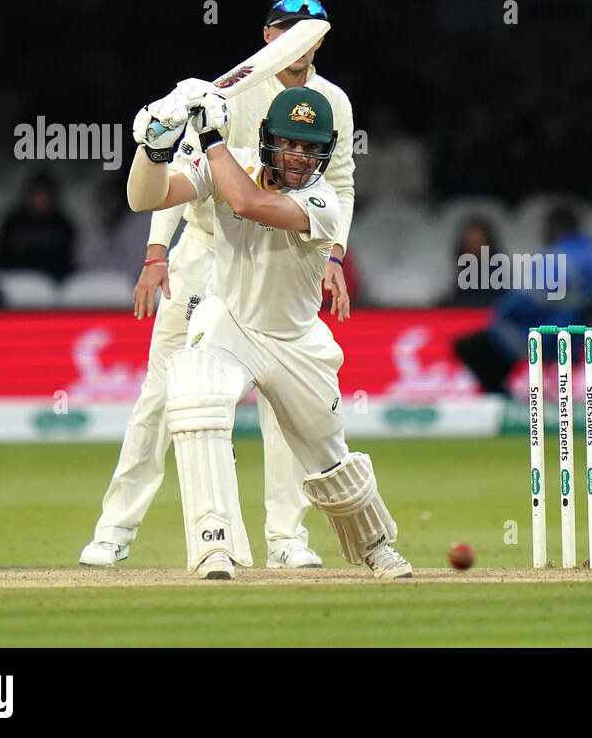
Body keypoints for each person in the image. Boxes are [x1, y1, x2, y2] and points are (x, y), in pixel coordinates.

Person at [79, 0, 354, 570]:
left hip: (277, 259)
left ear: (320, 39)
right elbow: (188, 173)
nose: (295, 40)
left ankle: (286, 539)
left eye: (308, 30)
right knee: (165, 396)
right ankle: (116, 530)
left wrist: (333, 254)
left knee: (283, 404)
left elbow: (340, 184)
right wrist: (157, 252)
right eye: (283, 28)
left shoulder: (332, 102)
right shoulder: (237, 91)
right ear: (267, 37)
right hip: (204, 250)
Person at [124, 84, 412, 580]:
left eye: (311, 147)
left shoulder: (322, 201)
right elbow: (144, 197)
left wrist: (208, 134)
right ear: (264, 136)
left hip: (295, 341)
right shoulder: (228, 158)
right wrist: (152, 147)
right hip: (229, 322)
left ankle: (375, 544)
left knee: (329, 460)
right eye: (289, 142)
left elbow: (248, 202)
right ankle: (215, 544)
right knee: (193, 396)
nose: (299, 157)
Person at [453, 207, 592, 393]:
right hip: (574, 340)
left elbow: (528, 299)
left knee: (469, 347)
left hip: (539, 335)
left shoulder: (554, 257)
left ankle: (500, 400)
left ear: (554, 228)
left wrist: (501, 311)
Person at [0, 172, 76, 281]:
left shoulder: (62, 224)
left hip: (53, 284)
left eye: (44, 196)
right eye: (37, 195)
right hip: (17, 279)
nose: (40, 200)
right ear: (28, 196)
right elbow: (1, 256)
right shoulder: (13, 222)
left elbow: (69, 260)